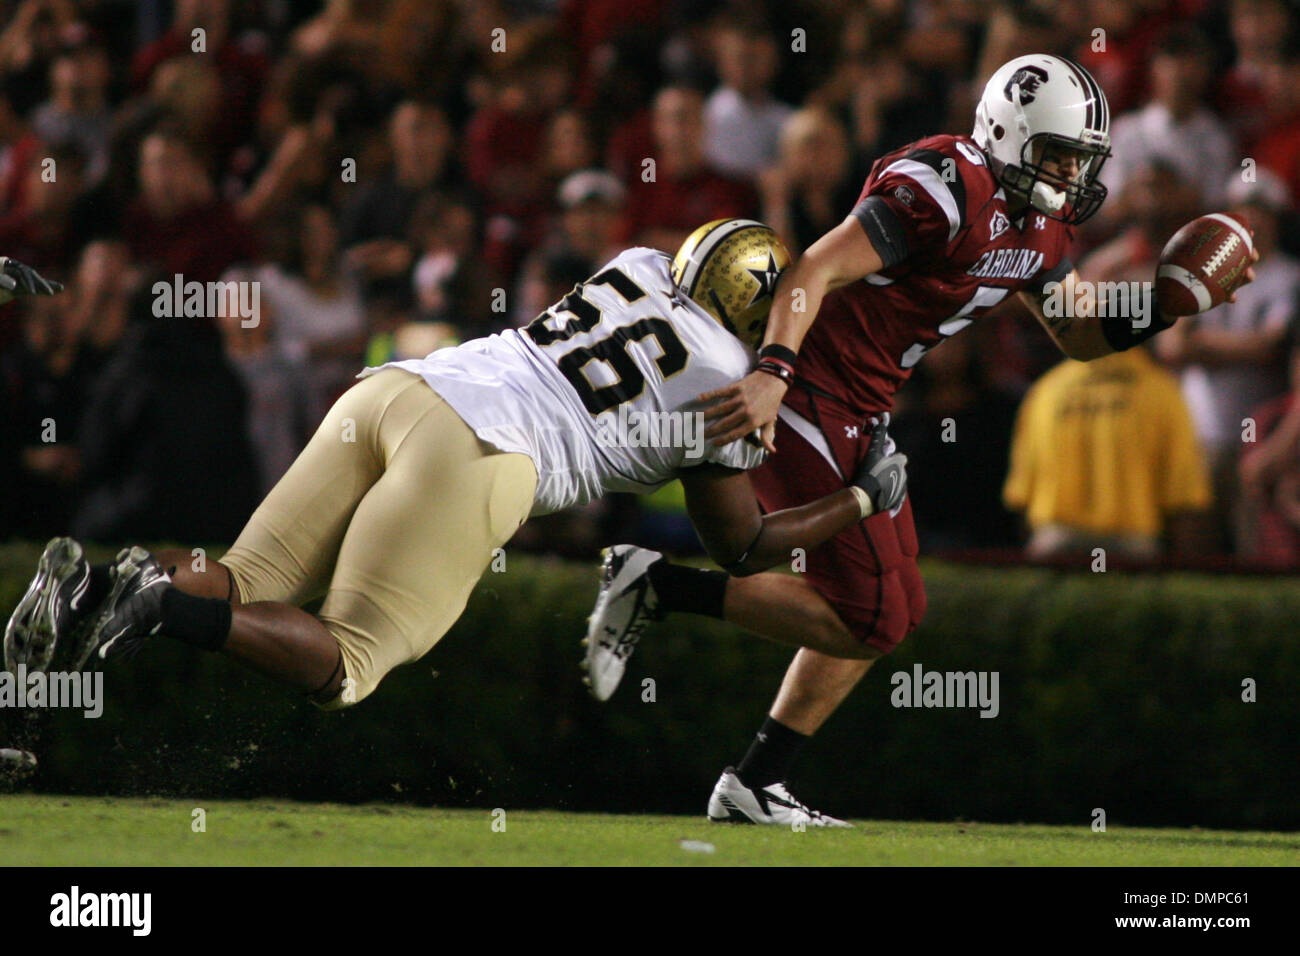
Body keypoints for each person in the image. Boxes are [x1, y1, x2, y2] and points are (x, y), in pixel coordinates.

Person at [583, 54, 1259, 827]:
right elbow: (814, 268)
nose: (1073, 175)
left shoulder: (1040, 225)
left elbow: (1074, 331)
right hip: (811, 385)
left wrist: (1168, 304)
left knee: (892, 614)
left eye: (1082, 159)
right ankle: (666, 603)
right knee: (868, 616)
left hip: (862, 405)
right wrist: (774, 371)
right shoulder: (944, 186)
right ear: (1009, 135)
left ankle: (749, 778)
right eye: (1060, 154)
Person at [4, 221, 909, 718]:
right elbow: (745, 547)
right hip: (484, 452)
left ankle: (102, 584)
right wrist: (859, 498)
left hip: (402, 387)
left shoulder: (633, 266)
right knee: (348, 664)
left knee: (239, 582)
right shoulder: (730, 387)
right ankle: (156, 604)